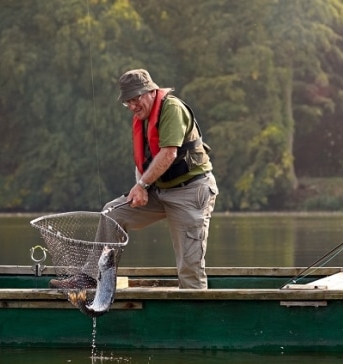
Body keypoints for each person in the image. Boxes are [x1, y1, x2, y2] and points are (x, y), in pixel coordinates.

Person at [50, 68, 218, 290]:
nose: (132, 105)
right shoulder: (143, 117)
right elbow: (144, 161)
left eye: (136, 98)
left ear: (151, 91)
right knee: (112, 214)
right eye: (127, 101)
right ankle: (91, 278)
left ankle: (194, 305)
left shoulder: (172, 109)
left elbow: (168, 154)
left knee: (189, 265)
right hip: (160, 190)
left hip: (190, 192)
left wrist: (142, 185)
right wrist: (142, 187)